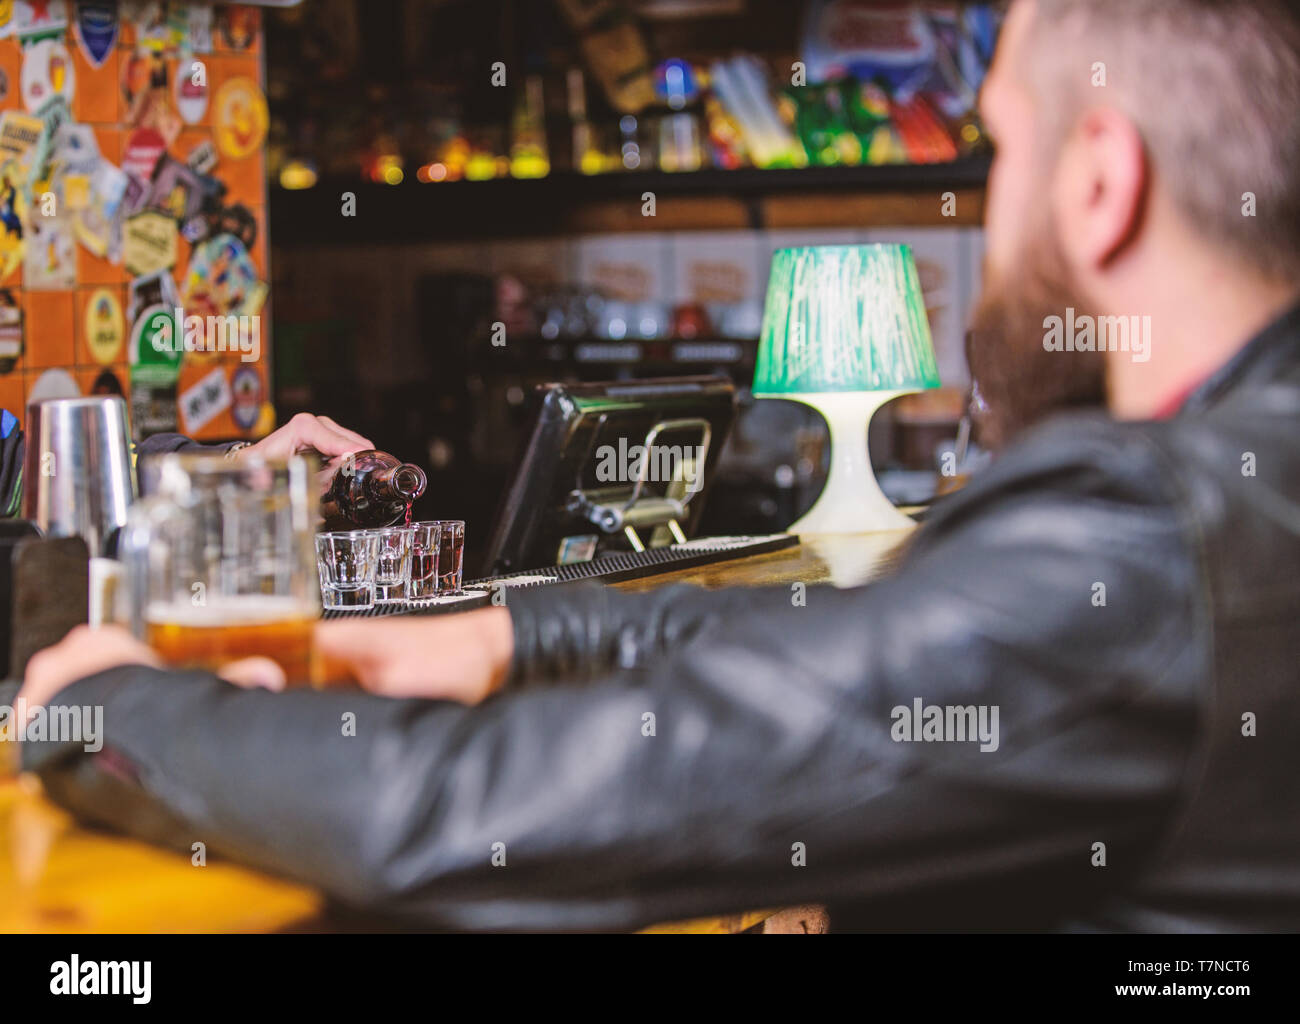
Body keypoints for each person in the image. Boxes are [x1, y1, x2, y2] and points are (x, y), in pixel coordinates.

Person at [12, 0, 1300, 931]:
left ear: (1100, 180)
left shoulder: (1154, 540)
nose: (993, 189)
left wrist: (118, 707)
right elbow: (863, 657)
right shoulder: (1234, 486)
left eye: (1005, 145)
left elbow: (478, 821)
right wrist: (521, 640)